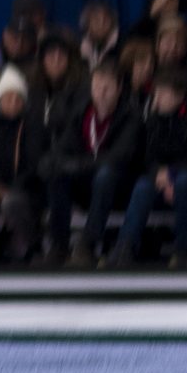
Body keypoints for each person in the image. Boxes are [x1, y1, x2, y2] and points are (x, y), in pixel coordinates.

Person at [112, 66, 187, 269]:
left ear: (179, 95)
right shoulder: (156, 119)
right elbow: (148, 158)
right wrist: (159, 175)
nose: (157, 99)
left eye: (163, 93)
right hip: (169, 183)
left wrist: (173, 174)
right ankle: (125, 245)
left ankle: (183, 249)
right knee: (143, 185)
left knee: (185, 181)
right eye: (156, 93)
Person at [40, 63, 140, 266]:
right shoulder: (81, 114)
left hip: (119, 188)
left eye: (107, 88)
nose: (101, 93)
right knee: (56, 173)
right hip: (86, 183)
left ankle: (88, 244)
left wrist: (76, 165)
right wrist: (51, 163)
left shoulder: (131, 116)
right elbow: (62, 149)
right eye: (96, 86)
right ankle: (59, 245)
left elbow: (120, 157)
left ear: (119, 89)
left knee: (106, 174)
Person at [0, 66, 45, 265]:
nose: (12, 103)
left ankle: (26, 247)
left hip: (28, 189)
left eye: (17, 98)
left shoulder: (33, 126)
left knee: (12, 201)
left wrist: (8, 189)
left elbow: (34, 166)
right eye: (7, 98)